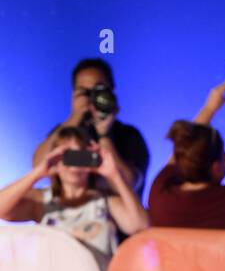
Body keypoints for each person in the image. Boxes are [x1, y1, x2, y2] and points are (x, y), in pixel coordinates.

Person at [0, 125, 149, 271]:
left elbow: (139, 225)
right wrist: (38, 172)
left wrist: (114, 175)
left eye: (81, 156)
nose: (74, 166)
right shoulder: (42, 202)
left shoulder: (104, 201)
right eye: (68, 156)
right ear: (55, 158)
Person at [147, 73, 225, 230]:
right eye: (224, 152)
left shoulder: (160, 197)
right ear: (216, 167)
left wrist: (210, 107)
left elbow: (179, 154)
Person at [33, 58, 150, 202]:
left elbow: (129, 185)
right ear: (74, 95)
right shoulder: (64, 132)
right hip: (68, 217)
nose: (91, 98)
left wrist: (104, 135)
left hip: (114, 219)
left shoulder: (129, 135)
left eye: (98, 91)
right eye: (84, 92)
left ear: (111, 92)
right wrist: (74, 117)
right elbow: (39, 167)